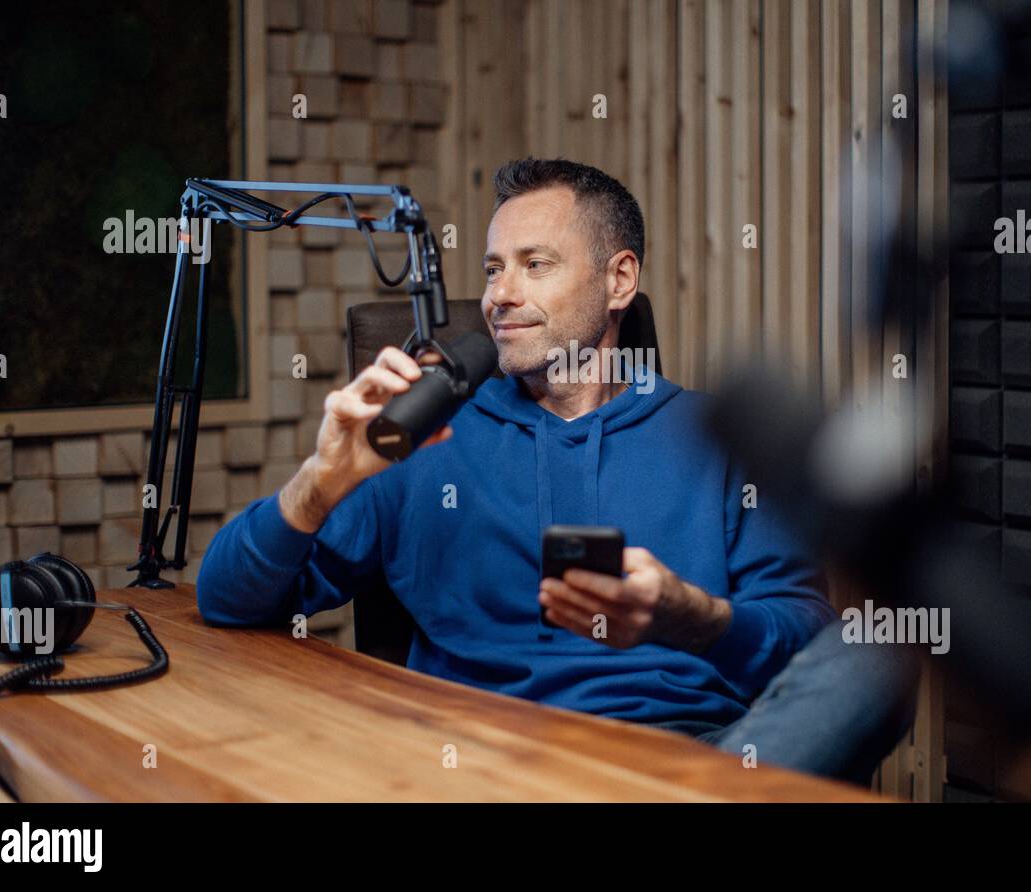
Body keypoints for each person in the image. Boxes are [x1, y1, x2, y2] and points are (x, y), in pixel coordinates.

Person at [196, 157, 919, 785]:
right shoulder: (421, 438)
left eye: (535, 265)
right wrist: (319, 481)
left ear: (619, 280)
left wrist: (695, 620)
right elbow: (229, 599)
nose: (498, 296)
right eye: (492, 268)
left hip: (695, 763)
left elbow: (800, 635)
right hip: (486, 767)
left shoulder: (717, 441)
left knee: (875, 656)